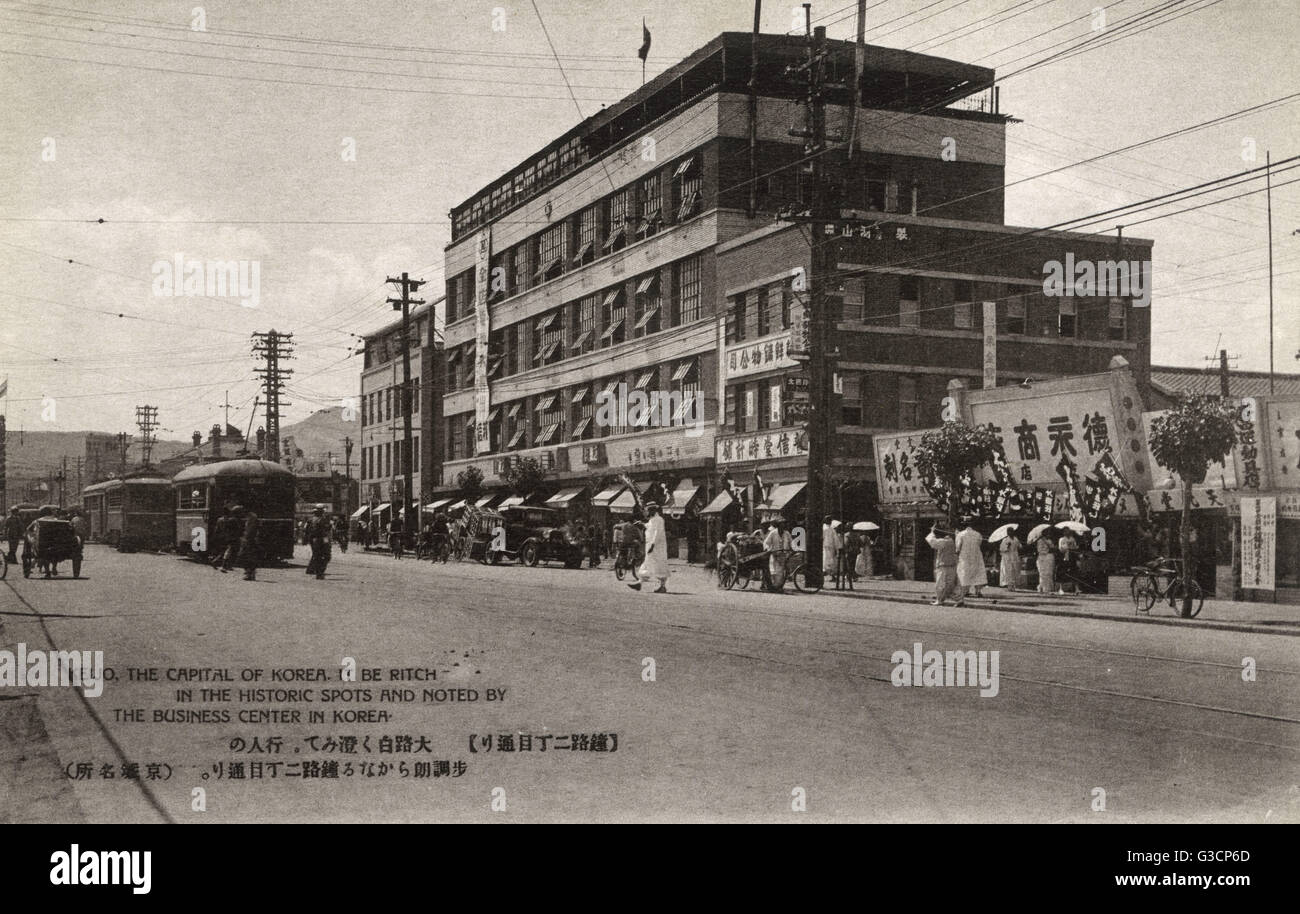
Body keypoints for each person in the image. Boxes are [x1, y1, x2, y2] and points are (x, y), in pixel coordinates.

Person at [631, 503, 669, 593]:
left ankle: (662, 586)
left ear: (652, 510)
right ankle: (639, 583)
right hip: (651, 547)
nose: (646, 512)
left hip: (657, 547)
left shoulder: (659, 519)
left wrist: (653, 544)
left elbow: (657, 533)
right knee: (647, 563)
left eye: (647, 510)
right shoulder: (652, 520)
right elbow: (649, 527)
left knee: (659, 565)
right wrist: (642, 525)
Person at [925, 524, 960, 605]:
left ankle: (940, 600)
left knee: (940, 584)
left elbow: (932, 542)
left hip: (943, 565)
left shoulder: (944, 541)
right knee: (950, 584)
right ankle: (956, 599)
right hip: (952, 565)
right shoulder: (954, 541)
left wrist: (932, 532)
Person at [955, 517, 985, 599]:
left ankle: (965, 591)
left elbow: (958, 547)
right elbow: (979, 544)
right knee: (978, 572)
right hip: (976, 555)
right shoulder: (978, 534)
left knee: (964, 573)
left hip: (965, 556)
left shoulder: (960, 534)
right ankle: (978, 591)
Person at [763, 520, 793, 590]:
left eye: (784, 524)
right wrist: (767, 549)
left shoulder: (787, 533)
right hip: (774, 554)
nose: (783, 526)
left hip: (783, 555)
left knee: (781, 571)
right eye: (782, 524)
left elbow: (792, 542)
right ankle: (774, 586)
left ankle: (778, 586)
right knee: (774, 571)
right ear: (778, 526)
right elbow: (766, 542)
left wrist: (795, 548)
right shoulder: (773, 533)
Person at [305, 506, 331, 579]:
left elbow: (307, 530)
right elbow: (326, 530)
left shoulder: (311, 520)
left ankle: (316, 571)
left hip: (314, 539)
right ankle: (320, 572)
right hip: (322, 539)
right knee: (326, 556)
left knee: (317, 556)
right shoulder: (322, 520)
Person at [236, 505, 259, 581]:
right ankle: (250, 573)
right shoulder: (250, 516)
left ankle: (249, 573)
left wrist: (245, 538)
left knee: (244, 556)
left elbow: (251, 530)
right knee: (247, 556)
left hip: (249, 540)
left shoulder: (252, 517)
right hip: (248, 539)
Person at [1057, 529, 1079, 594]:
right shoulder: (1061, 539)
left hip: (1072, 556)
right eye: (1065, 531)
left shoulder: (1073, 539)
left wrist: (1073, 547)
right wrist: (1065, 547)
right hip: (1064, 556)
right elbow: (1060, 548)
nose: (1067, 532)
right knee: (1062, 572)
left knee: (1074, 571)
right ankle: (1061, 588)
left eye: (1068, 531)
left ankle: (1076, 588)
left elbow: (1075, 547)